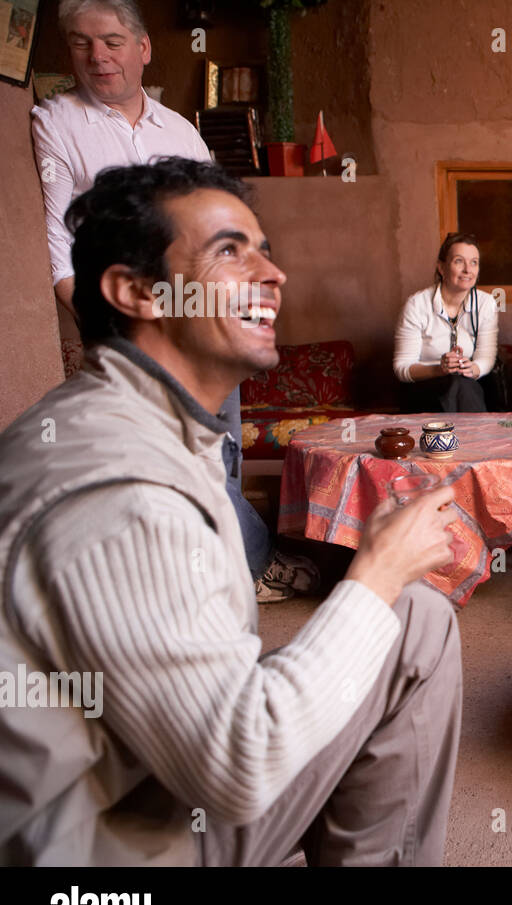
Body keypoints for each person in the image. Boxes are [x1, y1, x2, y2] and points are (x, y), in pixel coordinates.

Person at [0, 159, 463, 865]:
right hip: (97, 862)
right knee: (397, 613)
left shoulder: (128, 422)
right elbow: (237, 766)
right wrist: (375, 572)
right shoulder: (117, 490)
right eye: (228, 250)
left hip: (136, 781)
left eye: (264, 250)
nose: (272, 275)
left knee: (415, 620)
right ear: (137, 292)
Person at [31, 0, 314, 603]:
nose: (98, 56)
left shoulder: (180, 130)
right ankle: (247, 567)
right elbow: (59, 247)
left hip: (206, 310)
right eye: (81, 43)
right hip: (135, 318)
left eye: (111, 41)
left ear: (143, 48)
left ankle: (228, 568)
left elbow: (220, 226)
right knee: (172, 455)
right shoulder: (54, 121)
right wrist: (112, 331)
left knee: (223, 447)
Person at [393, 232, 500, 413]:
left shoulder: (486, 303)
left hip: (468, 387)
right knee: (456, 384)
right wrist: (439, 370)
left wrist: (472, 368)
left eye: (474, 262)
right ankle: (475, 438)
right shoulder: (417, 304)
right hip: (424, 389)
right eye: (459, 261)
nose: (468, 270)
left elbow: (486, 357)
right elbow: (402, 368)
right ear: (442, 268)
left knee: (462, 384)